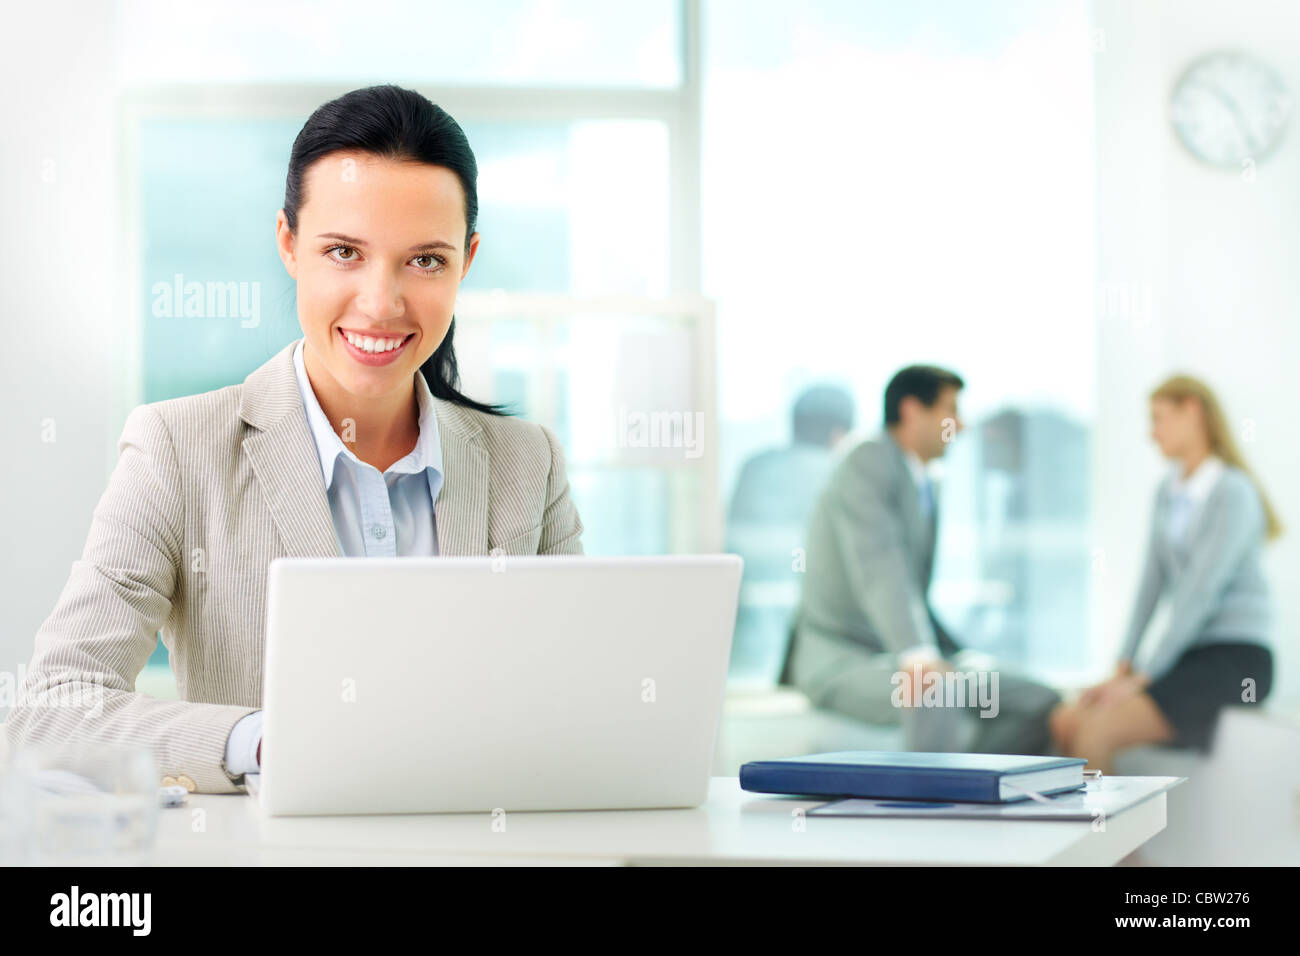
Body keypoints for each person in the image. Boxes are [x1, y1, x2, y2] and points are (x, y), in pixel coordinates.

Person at [5, 85, 584, 793]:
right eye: (344, 251)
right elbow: (47, 711)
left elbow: (581, 700)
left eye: (425, 260)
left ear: (466, 260)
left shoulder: (529, 463)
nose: (381, 302)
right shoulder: (177, 451)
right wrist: (261, 742)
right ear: (289, 244)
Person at [781, 365, 1060, 753]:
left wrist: (957, 655)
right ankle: (938, 809)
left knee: (1038, 700)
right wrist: (918, 656)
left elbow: (912, 593)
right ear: (912, 410)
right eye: (950, 410)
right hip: (841, 659)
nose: (960, 426)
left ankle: (980, 795)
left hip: (899, 653)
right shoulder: (868, 459)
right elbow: (879, 563)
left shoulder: (926, 480)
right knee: (934, 692)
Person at [1049, 375, 1277, 773]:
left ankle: (1107, 835)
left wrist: (1147, 674)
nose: (1151, 434)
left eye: (1158, 419)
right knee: (1067, 719)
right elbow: (1149, 586)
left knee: (1096, 735)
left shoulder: (1232, 492)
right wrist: (1124, 664)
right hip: (1187, 655)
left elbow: (1200, 591)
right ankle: (1090, 833)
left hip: (1236, 660)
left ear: (1193, 411)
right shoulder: (1166, 493)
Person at [726, 385, 854, 682]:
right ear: (839, 433)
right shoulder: (840, 472)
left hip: (741, 649)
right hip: (809, 650)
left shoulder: (754, 466)